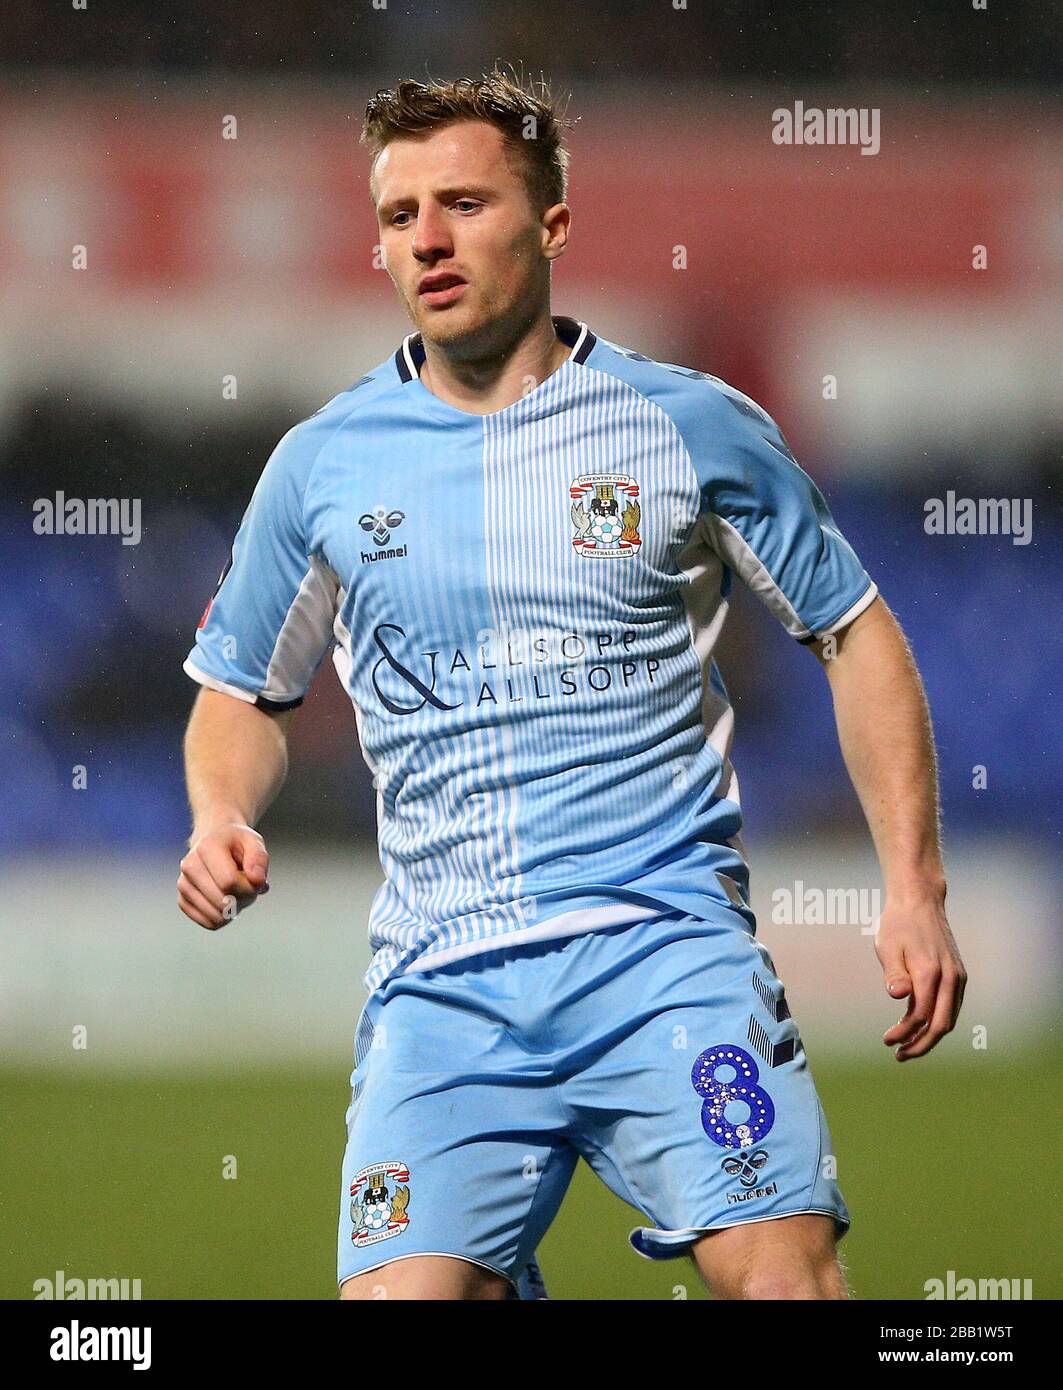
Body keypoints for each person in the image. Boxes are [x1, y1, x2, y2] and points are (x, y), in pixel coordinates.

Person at [179, 67, 966, 1301]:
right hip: (442, 986)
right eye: (398, 216)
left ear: (550, 226)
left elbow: (853, 628)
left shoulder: (688, 426)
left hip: (662, 952)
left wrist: (912, 887)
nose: (427, 240)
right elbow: (241, 692)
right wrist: (220, 813)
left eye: (463, 203)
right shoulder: (321, 465)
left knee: (785, 1287)